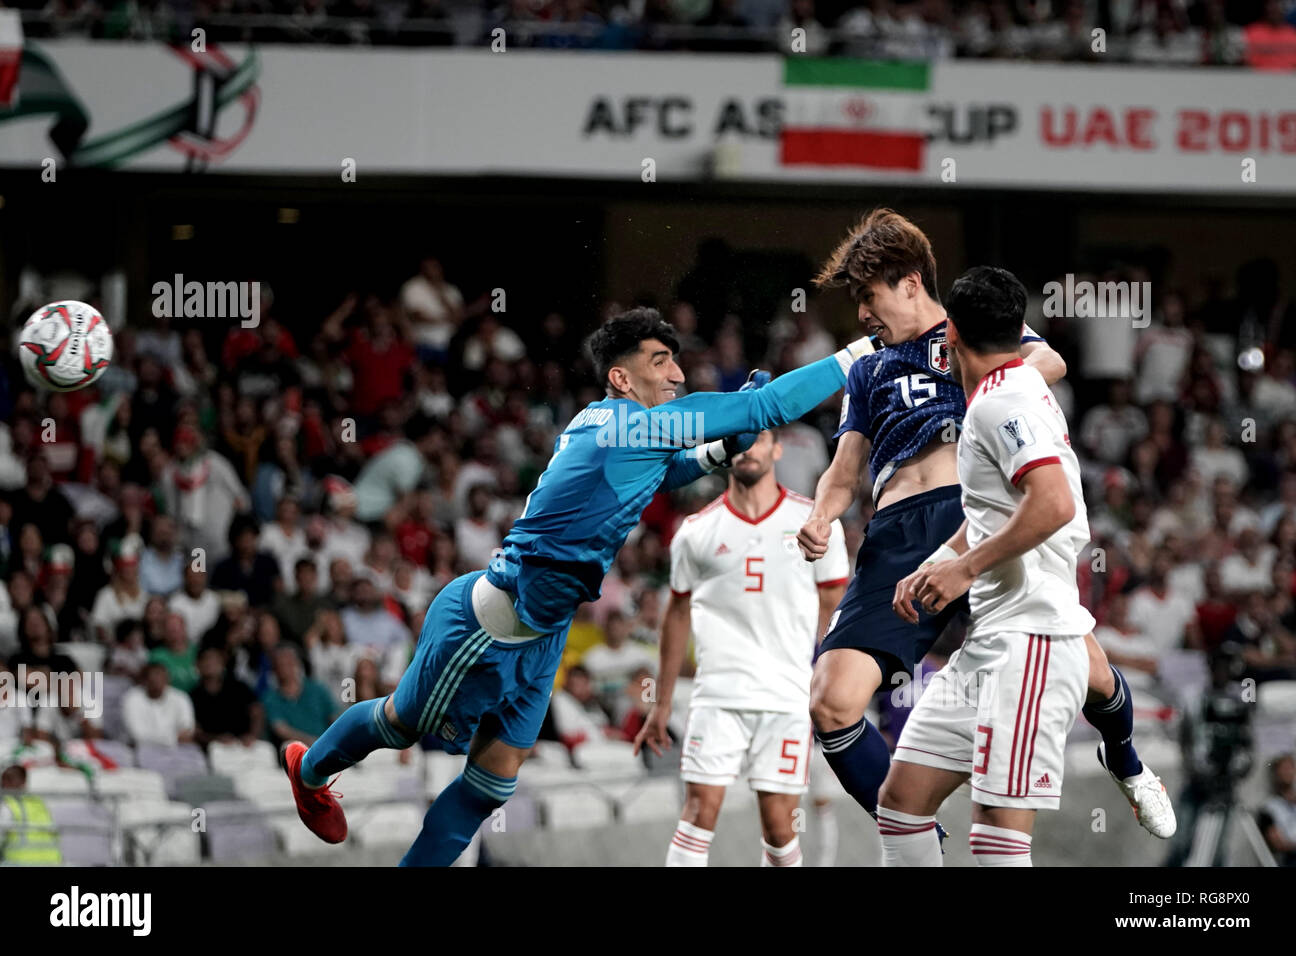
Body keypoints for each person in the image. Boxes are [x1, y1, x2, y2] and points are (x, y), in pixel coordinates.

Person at [282, 306, 877, 865]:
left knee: (491, 785)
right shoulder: (634, 425)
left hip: (543, 634)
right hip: (490, 623)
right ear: (621, 377)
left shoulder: (622, 429)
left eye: (676, 358)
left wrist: (723, 446)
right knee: (398, 725)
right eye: (660, 361)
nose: (676, 372)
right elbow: (767, 406)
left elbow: (668, 471)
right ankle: (309, 773)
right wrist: (866, 351)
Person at [797, 209, 1174, 839]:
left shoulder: (969, 331)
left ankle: (1128, 762)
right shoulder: (866, 370)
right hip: (897, 536)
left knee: (1093, 675)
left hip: (983, 516)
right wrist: (818, 517)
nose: (861, 314)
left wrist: (985, 381)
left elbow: (1049, 360)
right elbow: (843, 471)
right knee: (831, 703)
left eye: (869, 296)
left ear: (910, 282)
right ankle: (922, 837)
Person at [879, 266, 1096, 866]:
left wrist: (965, 570)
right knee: (901, 803)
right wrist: (940, 561)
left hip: (1032, 642)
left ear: (949, 331)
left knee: (996, 836)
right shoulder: (1011, 391)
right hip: (990, 643)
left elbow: (1053, 503)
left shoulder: (1002, 401)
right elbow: (995, 510)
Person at [635, 430, 848, 867]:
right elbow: (676, 617)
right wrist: (661, 703)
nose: (748, 447)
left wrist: (834, 693)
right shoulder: (695, 531)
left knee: (779, 828)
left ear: (777, 448)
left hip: (787, 697)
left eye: (758, 439)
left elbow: (834, 612)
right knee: (697, 813)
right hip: (716, 697)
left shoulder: (816, 524)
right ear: (725, 451)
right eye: (739, 439)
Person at [0, 765, 62, 865]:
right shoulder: (39, 803)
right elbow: (55, 833)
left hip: (20, 862)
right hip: (51, 862)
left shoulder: (7, 806)